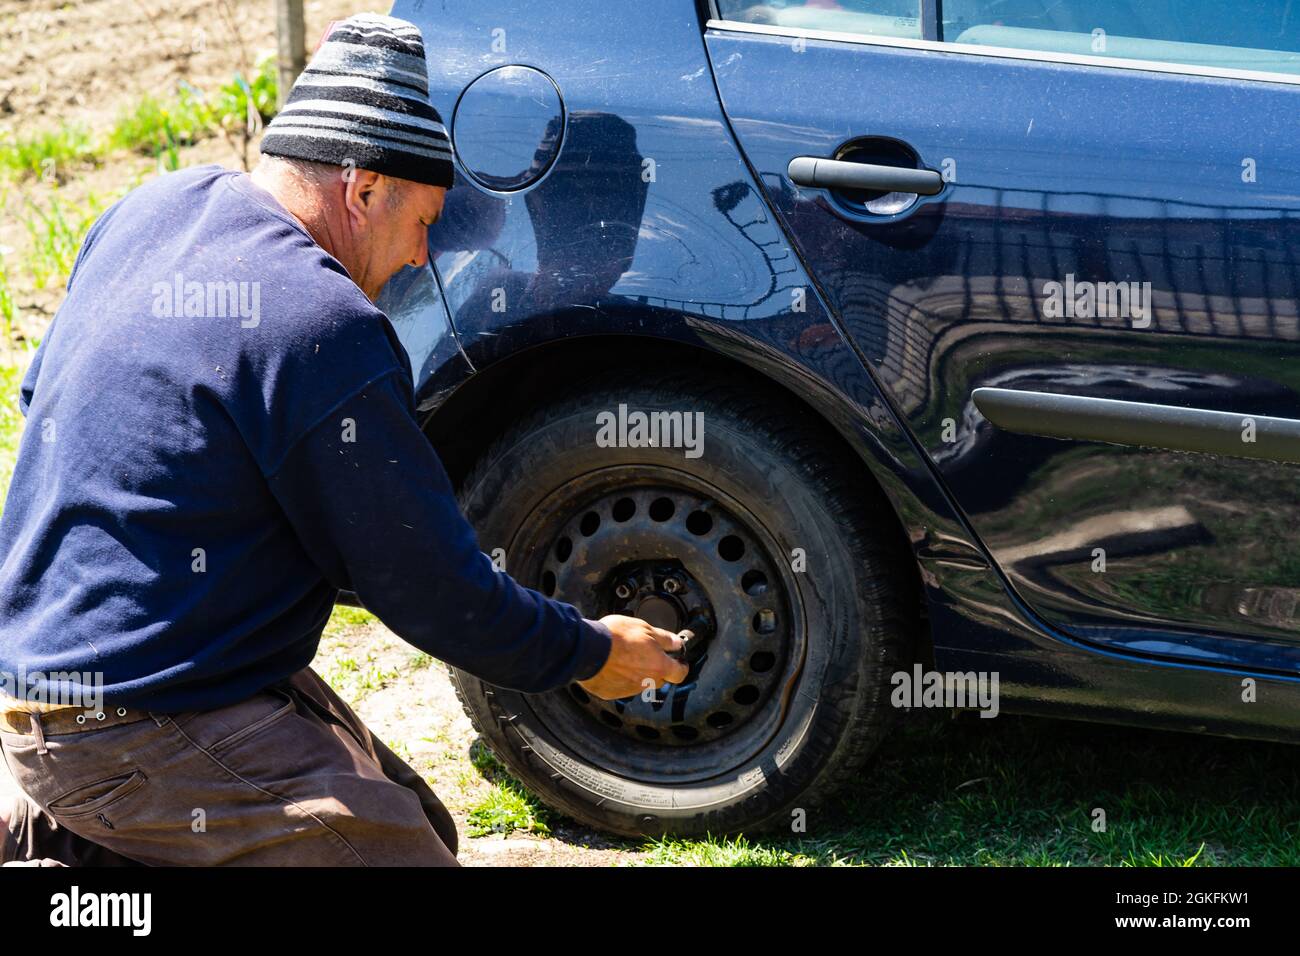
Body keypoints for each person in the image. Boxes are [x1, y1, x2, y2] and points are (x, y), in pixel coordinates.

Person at [0, 12, 687, 867]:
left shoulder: (155, 207)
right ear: (360, 191)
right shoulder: (323, 324)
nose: (419, 255)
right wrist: (588, 651)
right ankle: (67, 840)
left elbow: (44, 398)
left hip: (54, 678)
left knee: (417, 821)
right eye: (424, 222)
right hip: (131, 719)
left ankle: (77, 848)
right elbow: (431, 588)